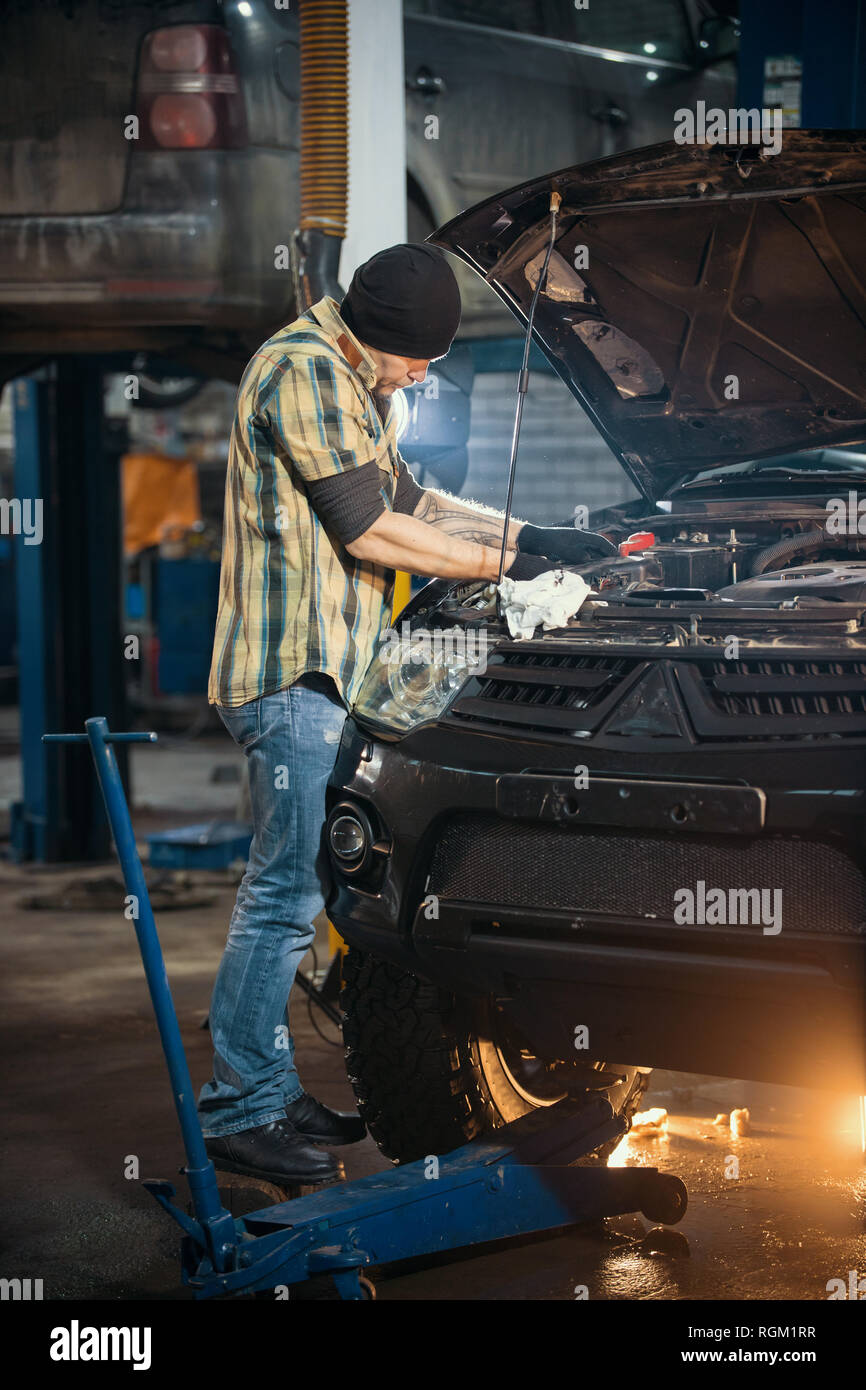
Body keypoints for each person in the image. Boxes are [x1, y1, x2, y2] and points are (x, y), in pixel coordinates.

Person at [199, 242, 612, 1184]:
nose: (424, 375)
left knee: (308, 888)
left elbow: (415, 498)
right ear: (380, 337)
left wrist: (530, 533)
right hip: (286, 675)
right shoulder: (301, 371)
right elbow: (372, 527)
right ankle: (239, 1107)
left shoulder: (352, 378)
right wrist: (510, 570)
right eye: (418, 360)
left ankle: (266, 1084)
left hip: (327, 677)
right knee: (284, 897)